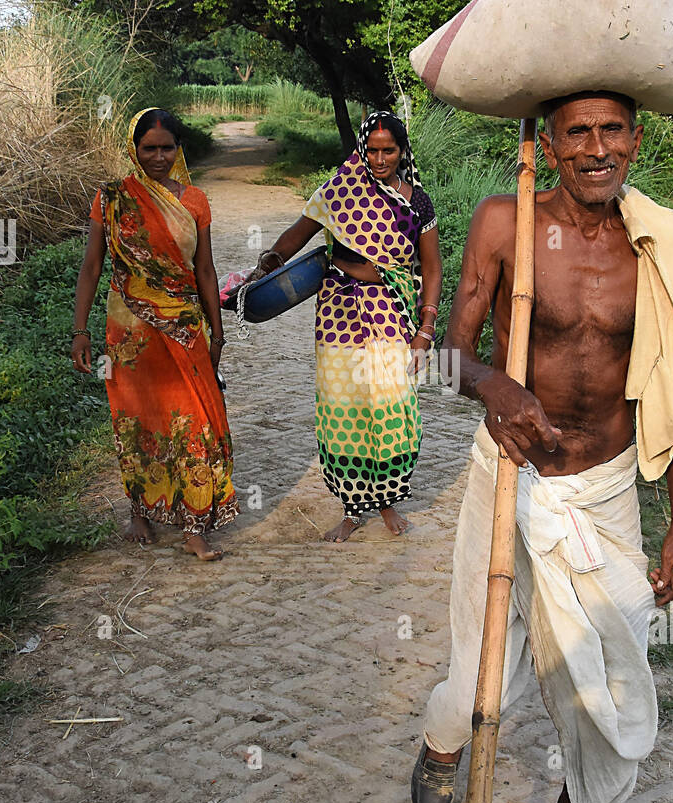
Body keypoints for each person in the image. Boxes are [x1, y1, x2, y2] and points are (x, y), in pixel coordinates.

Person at [410, 91, 673, 803]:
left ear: (636, 138)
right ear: (547, 142)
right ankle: (441, 745)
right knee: (478, 683)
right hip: (512, 478)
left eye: (610, 129)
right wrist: (493, 386)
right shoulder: (505, 223)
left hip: (608, 491)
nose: (594, 148)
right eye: (575, 131)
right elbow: (441, 352)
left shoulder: (658, 248)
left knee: (615, 700)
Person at [250, 110, 442, 542]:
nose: (378, 159)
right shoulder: (340, 190)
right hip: (339, 310)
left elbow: (432, 268)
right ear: (361, 148)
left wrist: (426, 330)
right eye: (371, 150)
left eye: (387, 150)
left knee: (392, 402)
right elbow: (296, 236)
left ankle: (389, 502)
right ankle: (354, 509)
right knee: (346, 406)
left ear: (401, 149)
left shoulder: (417, 202)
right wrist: (265, 266)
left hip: (392, 309)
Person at [71, 107, 238, 561]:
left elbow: (204, 269)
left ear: (178, 150)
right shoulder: (111, 199)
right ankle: (140, 510)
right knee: (138, 418)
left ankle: (194, 526)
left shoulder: (195, 201)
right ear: (134, 149)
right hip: (129, 332)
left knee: (196, 421)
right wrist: (80, 330)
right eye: (150, 149)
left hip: (184, 328)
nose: (159, 157)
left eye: (167, 148)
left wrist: (216, 332)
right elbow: (92, 266)